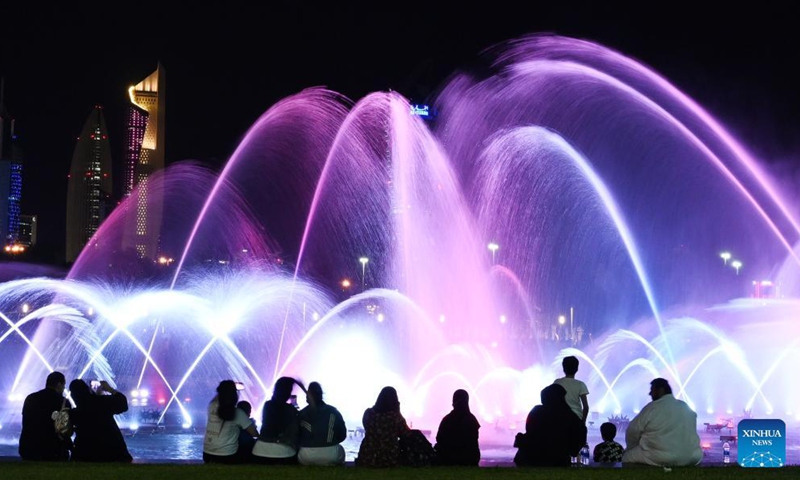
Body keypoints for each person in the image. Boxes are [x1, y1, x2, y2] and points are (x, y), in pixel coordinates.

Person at [622, 378, 703, 467]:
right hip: (693, 456)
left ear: (660, 390)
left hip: (661, 457)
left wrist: (632, 447)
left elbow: (632, 431)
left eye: (652, 390)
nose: (650, 393)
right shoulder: (685, 407)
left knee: (626, 457)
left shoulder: (652, 407)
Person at [513, 383, 586, 467]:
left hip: (529, 456)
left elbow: (529, 429)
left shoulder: (537, 411)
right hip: (557, 459)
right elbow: (580, 432)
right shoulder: (568, 415)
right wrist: (572, 450)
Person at [69, 379, 133, 462]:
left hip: (86, 454)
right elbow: (123, 404)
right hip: (113, 452)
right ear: (88, 390)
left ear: (73, 396)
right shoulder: (102, 402)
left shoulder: (75, 413)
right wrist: (110, 389)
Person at [18, 371, 72, 461]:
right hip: (53, 449)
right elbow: (63, 429)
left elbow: (25, 421)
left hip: (28, 448)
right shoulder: (63, 402)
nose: (64, 389)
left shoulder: (30, 398)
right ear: (59, 384)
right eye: (64, 385)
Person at [203, 380, 258, 464]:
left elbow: (218, 397)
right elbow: (254, 433)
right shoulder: (239, 413)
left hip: (207, 454)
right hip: (228, 455)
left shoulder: (212, 406)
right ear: (234, 396)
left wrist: (226, 388)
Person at [252, 376, 303, 464]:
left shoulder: (267, 405)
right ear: (288, 393)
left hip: (259, 452)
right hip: (284, 454)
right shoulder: (291, 409)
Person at [356, 386, 410, 467]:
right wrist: (398, 412)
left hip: (368, 457)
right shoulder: (395, 417)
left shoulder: (369, 413)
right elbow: (405, 433)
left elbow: (367, 427)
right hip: (390, 458)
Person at [297, 382, 347, 466]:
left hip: (306, 456)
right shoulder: (333, 412)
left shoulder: (301, 414)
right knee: (340, 449)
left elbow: (296, 436)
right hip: (331, 455)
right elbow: (342, 435)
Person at [433, 389, 480, 466]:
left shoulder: (448, 419)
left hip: (450, 458)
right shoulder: (472, 419)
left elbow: (439, 438)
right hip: (470, 458)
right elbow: (474, 440)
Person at [553, 356, 589, 423]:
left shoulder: (557, 382)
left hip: (560, 418)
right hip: (576, 418)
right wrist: (583, 422)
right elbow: (586, 407)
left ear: (563, 368)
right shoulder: (581, 385)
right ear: (577, 369)